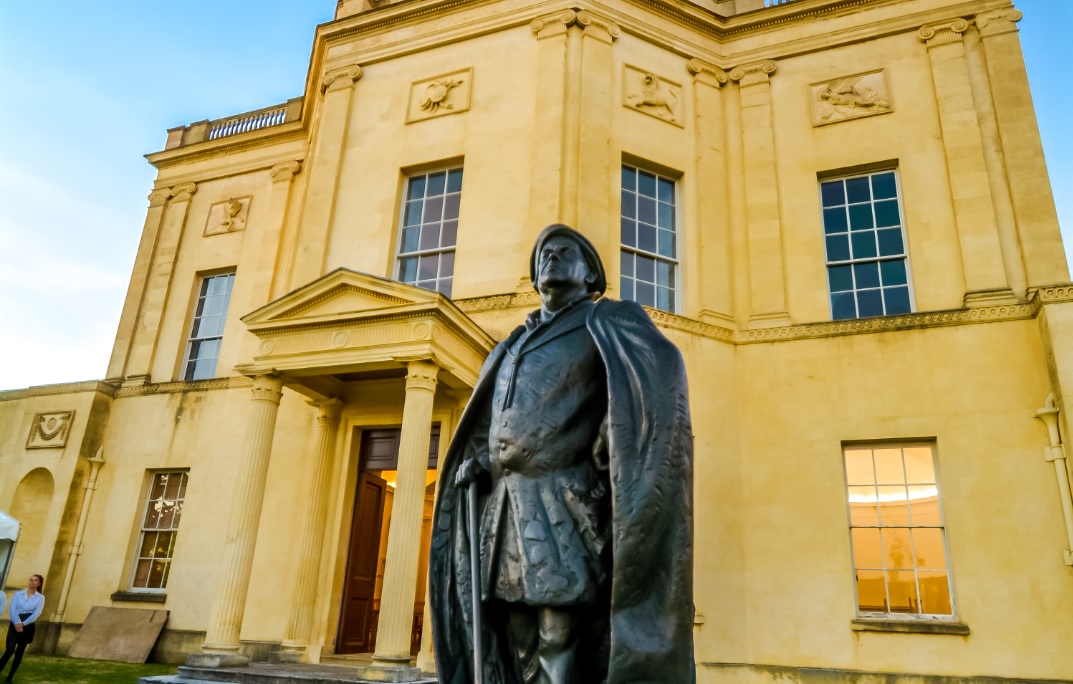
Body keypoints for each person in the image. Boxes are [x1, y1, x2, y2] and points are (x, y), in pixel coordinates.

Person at [430, 224, 694, 684]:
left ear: (590, 275)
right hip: (507, 508)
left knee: (559, 637)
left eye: (564, 252)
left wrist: (618, 436)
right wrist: (483, 462)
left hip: (563, 506)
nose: (550, 258)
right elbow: (497, 423)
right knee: (518, 638)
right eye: (543, 254)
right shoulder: (511, 343)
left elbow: (658, 372)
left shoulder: (606, 322)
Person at [0, 575, 44, 682]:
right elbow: (12, 608)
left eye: (35, 581)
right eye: (31, 580)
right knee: (9, 650)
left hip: (28, 625)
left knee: (19, 652)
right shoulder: (18, 594)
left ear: (39, 584)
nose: (32, 582)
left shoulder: (41, 597)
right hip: (15, 622)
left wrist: (23, 624)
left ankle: (10, 677)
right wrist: (17, 623)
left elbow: (37, 613)